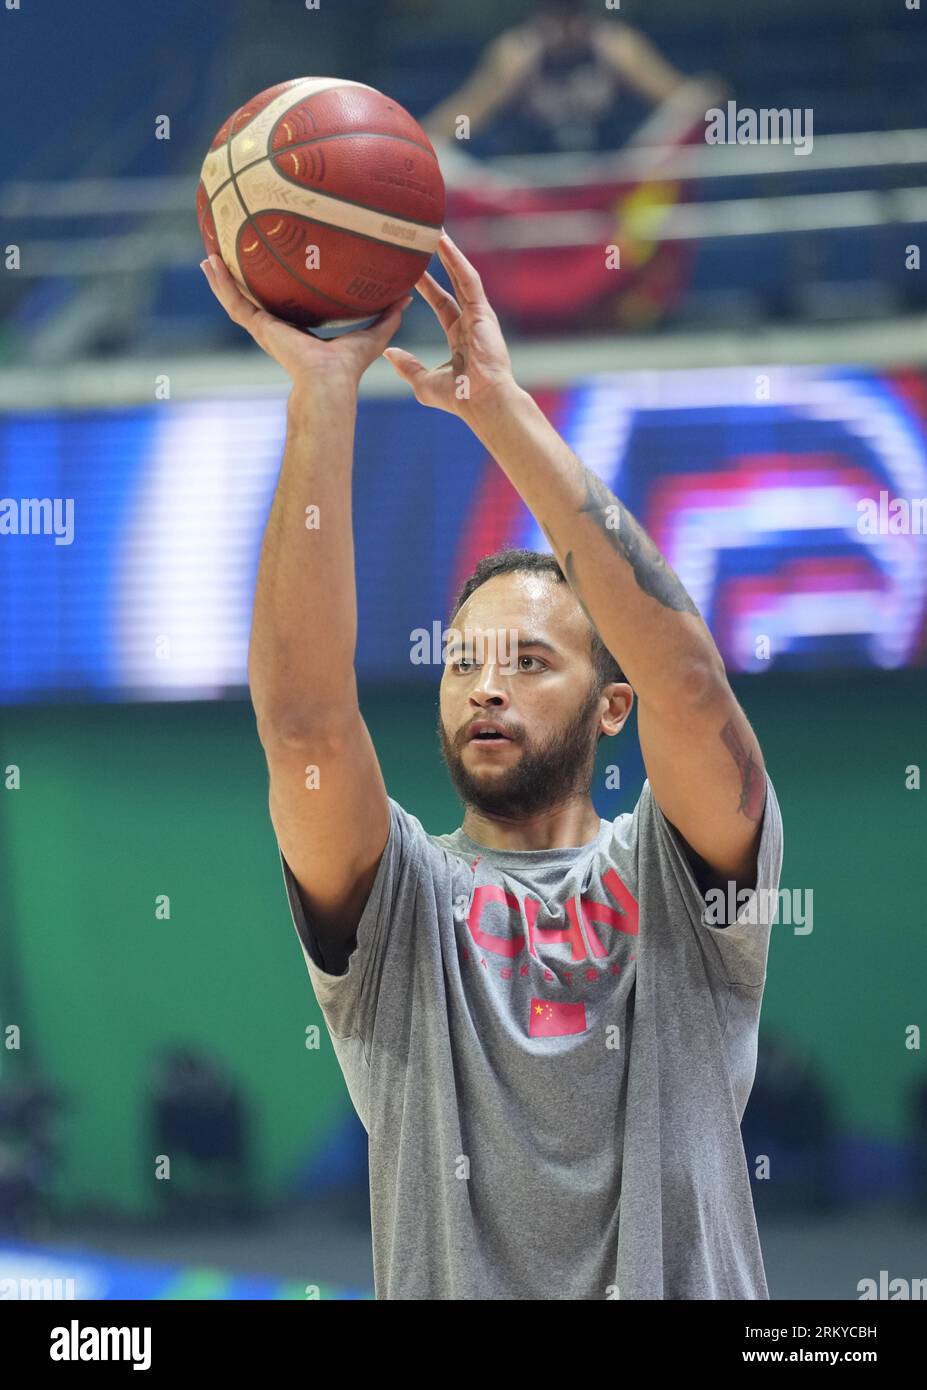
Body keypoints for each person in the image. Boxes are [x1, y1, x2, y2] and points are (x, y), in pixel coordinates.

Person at [200, 236, 784, 1300]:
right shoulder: (403, 902)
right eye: (463, 659)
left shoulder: (679, 874)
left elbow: (690, 684)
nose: (485, 684)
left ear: (614, 705)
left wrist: (499, 407)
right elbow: (302, 725)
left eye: (529, 660)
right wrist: (325, 394)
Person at [421, 0, 686, 155]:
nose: (565, 28)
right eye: (556, 15)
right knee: (443, 157)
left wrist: (705, 98)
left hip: (611, 174)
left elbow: (682, 103)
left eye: (572, 15)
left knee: (688, 114)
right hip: (531, 182)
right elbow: (466, 114)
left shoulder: (615, 43)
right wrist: (419, 141)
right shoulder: (517, 50)